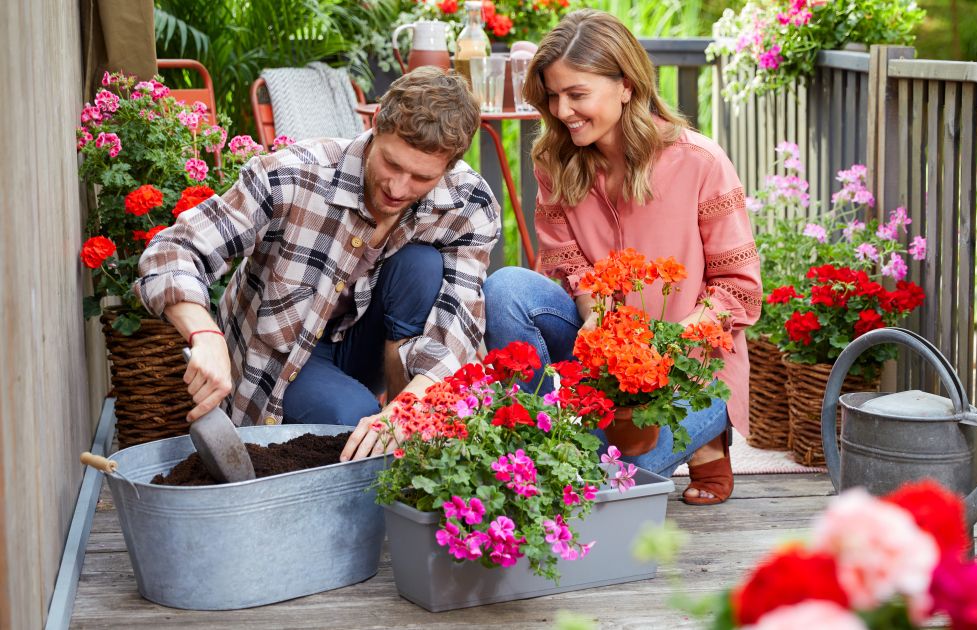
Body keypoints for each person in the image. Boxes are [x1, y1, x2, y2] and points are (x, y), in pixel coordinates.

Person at [135, 67, 500, 461]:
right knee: (348, 421)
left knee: (422, 265)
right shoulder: (293, 175)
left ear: (447, 168)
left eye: (420, 177)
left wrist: (408, 410)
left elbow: (459, 317)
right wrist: (205, 335)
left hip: (368, 347)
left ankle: (397, 428)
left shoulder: (468, 204)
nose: (398, 188)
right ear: (376, 124)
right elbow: (172, 251)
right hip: (283, 362)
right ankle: (363, 418)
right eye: (392, 164)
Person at [484, 9, 761, 505]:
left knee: (601, 483)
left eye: (577, 94)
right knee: (506, 288)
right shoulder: (555, 160)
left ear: (627, 86)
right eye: (552, 95)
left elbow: (739, 286)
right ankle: (546, 436)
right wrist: (596, 319)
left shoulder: (699, 161)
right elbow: (565, 263)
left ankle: (704, 436)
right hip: (599, 363)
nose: (562, 110)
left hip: (688, 371)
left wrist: (662, 353)